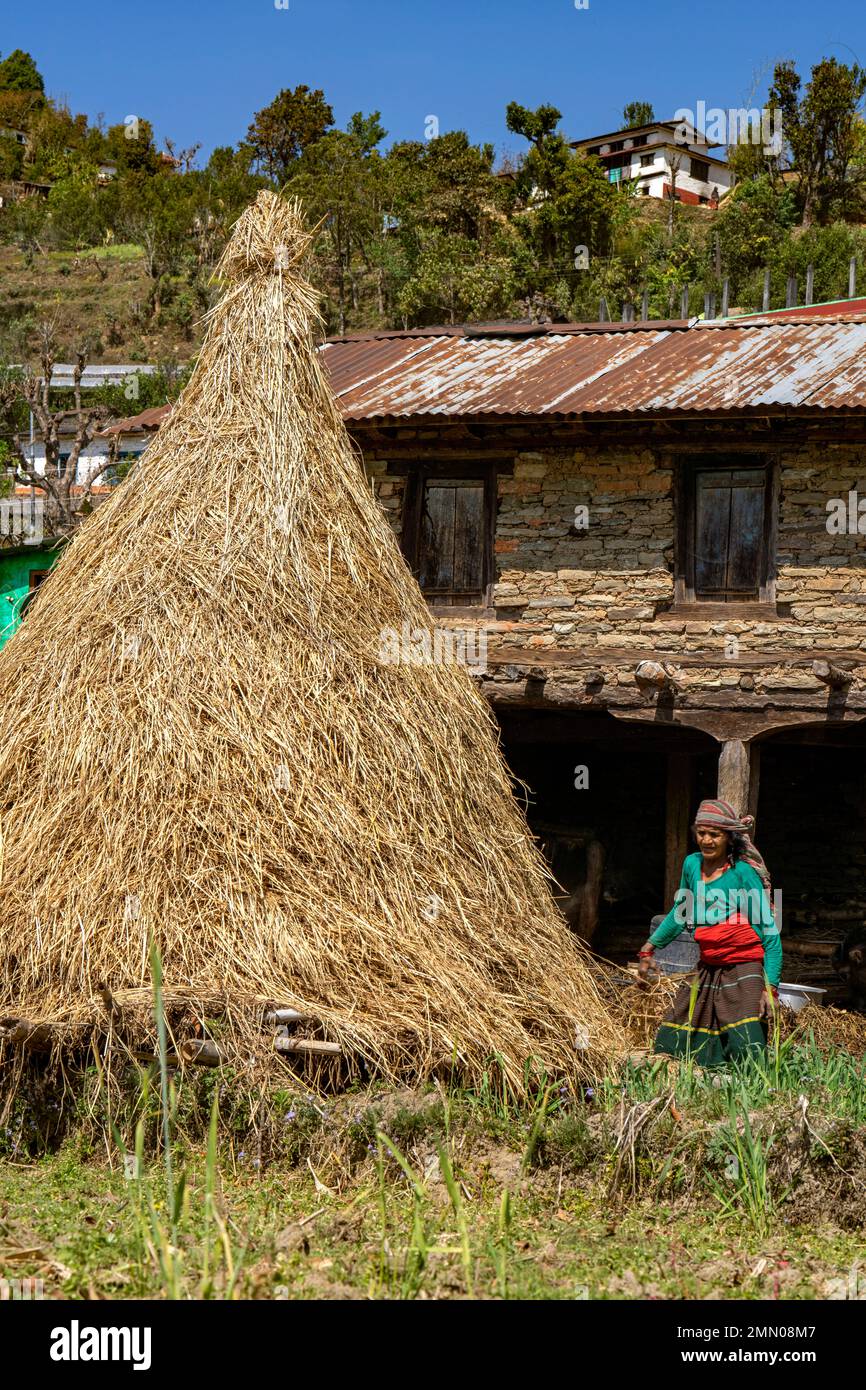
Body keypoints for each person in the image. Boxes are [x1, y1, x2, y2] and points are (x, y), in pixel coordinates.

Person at [638, 799, 782, 1065]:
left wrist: (770, 989)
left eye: (714, 835)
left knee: (745, 1039)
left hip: (744, 965)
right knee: (676, 1032)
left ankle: (753, 1091)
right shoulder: (692, 865)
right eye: (701, 833)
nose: (706, 840)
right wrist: (649, 947)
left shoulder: (742, 873)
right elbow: (681, 912)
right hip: (708, 963)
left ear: (728, 837)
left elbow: (769, 934)